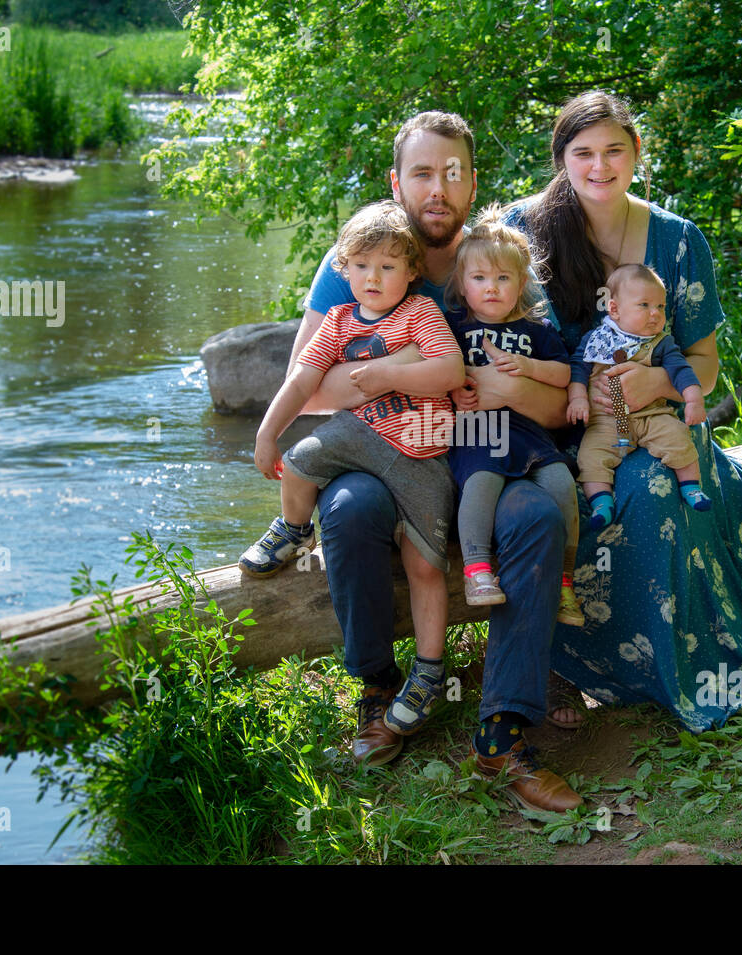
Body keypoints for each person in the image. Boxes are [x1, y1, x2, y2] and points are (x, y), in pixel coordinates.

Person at [497, 91, 742, 731]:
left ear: (637, 152)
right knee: (586, 488)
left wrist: (658, 386)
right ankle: (565, 661)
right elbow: (500, 334)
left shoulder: (678, 240)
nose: (600, 167)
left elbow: (706, 362)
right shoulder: (523, 237)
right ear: (560, 160)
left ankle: (673, 660)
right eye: (583, 153)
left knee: (661, 483)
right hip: (554, 424)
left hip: (660, 421)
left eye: (615, 150)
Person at [284, 111, 582, 811]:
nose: (437, 188)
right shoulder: (363, 256)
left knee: (538, 513)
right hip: (394, 450)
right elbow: (309, 388)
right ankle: (380, 687)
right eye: (422, 173)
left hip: (492, 446)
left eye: (452, 172)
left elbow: (554, 389)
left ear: (472, 183)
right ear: (398, 182)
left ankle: (502, 733)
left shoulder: (500, 256)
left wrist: (503, 386)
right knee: (350, 507)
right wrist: (406, 375)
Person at [240, 200, 466, 736]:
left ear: (411, 273)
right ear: (343, 267)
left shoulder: (419, 314)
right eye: (362, 265)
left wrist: (384, 370)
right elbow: (302, 382)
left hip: (422, 447)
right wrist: (267, 432)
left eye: (388, 267)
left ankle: (430, 672)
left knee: (427, 564)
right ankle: (294, 531)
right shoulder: (339, 321)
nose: (374, 277)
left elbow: (450, 370)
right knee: (296, 463)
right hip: (362, 436)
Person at [443, 204, 583, 626]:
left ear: (522, 283)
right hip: (477, 431)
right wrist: (456, 386)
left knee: (562, 485)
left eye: (503, 278)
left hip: (530, 432)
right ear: (462, 285)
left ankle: (564, 580)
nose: (491, 288)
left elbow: (566, 373)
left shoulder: (536, 330)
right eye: (480, 278)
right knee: (482, 482)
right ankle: (477, 569)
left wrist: (530, 368)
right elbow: (433, 366)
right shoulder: (452, 329)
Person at [568, 263, 711, 527]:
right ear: (614, 309)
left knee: (677, 436)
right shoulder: (596, 339)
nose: (655, 314)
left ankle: (691, 487)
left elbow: (682, 372)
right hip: (605, 421)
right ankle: (601, 503)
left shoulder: (661, 343)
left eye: (660, 307)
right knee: (591, 456)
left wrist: (694, 400)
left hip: (651, 415)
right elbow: (577, 369)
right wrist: (577, 398)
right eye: (644, 305)